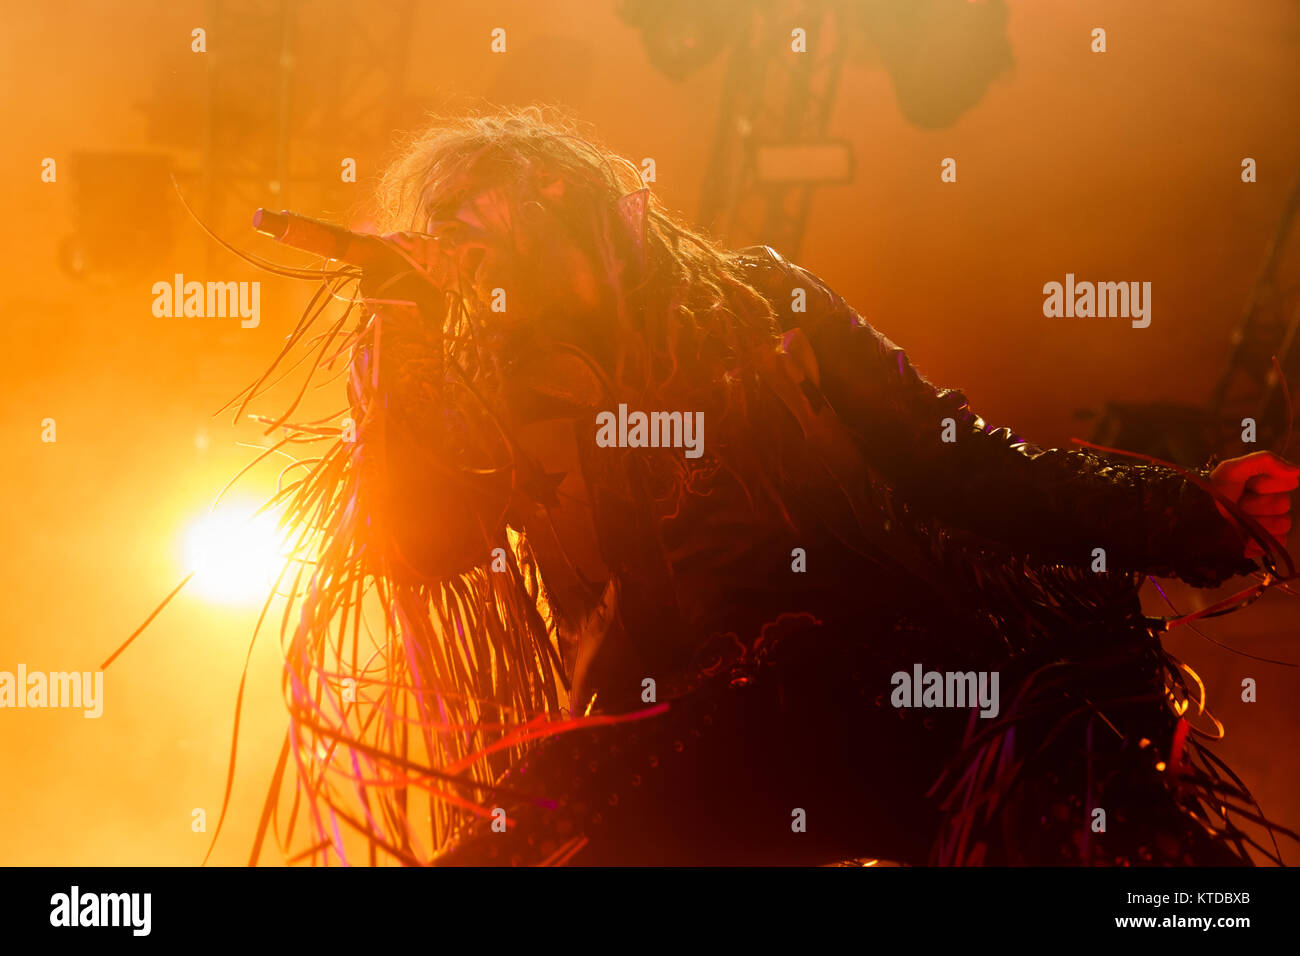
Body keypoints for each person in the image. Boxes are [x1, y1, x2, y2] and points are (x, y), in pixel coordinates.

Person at [263, 107, 1299, 866]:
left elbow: (961, 461)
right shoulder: (483, 376)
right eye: (455, 230)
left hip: (887, 694)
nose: (483, 246)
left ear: (588, 203)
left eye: (514, 210)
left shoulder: (764, 301)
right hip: (657, 735)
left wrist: (1191, 504)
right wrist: (397, 319)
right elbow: (420, 542)